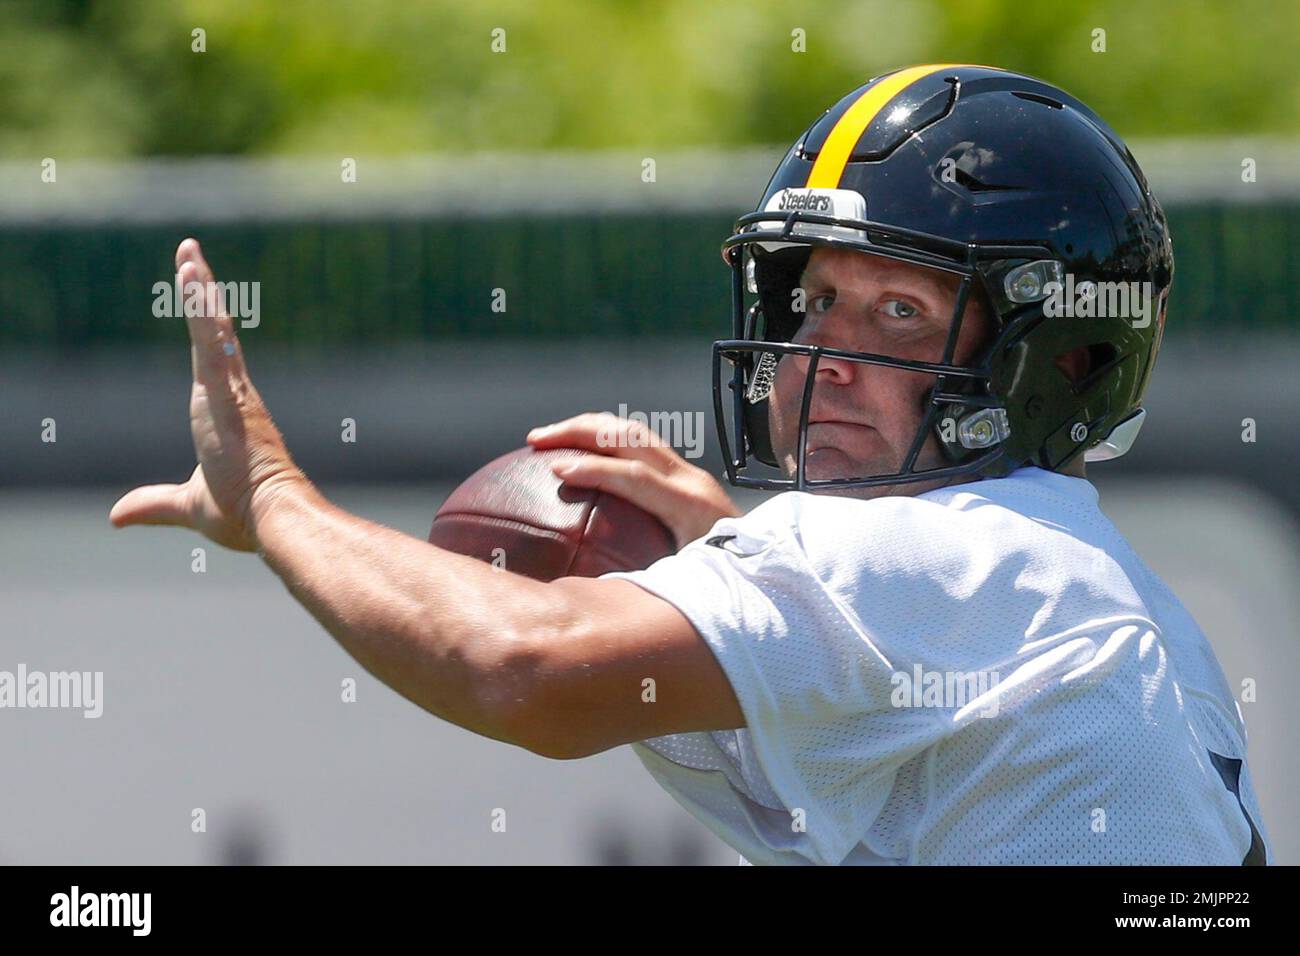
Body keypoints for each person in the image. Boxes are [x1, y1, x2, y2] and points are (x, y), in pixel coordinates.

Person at [110, 64, 1269, 865]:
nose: (822, 359)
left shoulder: (946, 557)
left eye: (901, 311)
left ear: (1048, 362)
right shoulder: (1077, 587)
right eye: (814, 298)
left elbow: (520, 665)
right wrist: (735, 558)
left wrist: (271, 498)